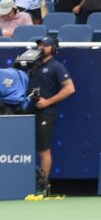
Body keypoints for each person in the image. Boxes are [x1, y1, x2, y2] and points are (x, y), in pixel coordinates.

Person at [26, 34, 74, 193]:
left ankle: (42, 186)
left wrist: (47, 102)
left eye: (44, 45)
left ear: (53, 48)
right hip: (27, 110)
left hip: (46, 112)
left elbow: (69, 88)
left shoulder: (57, 66)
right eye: (39, 45)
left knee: (43, 150)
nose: (40, 47)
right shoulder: (31, 65)